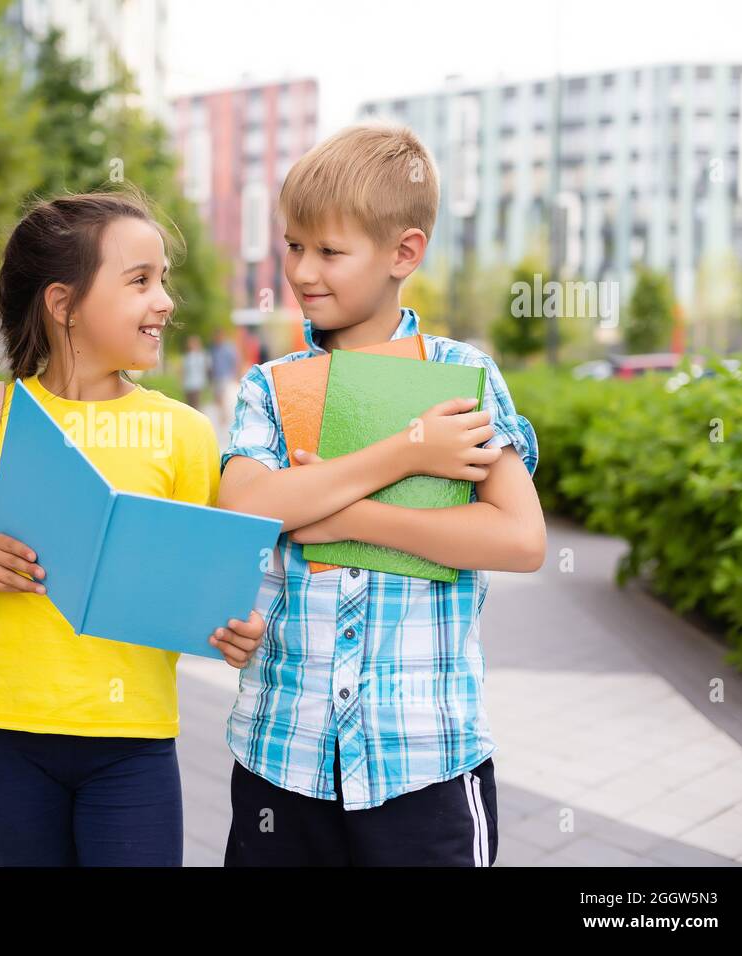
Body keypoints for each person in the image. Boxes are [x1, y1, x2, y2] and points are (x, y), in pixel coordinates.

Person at [217, 122, 546, 866]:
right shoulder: (270, 388)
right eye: (294, 245)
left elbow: (520, 540)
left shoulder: (462, 376)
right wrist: (409, 451)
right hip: (283, 755)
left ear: (404, 253)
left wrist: (342, 512)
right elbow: (245, 506)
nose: (303, 270)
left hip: (423, 759)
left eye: (330, 251)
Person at [0, 190, 266, 867]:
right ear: (63, 304)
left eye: (163, 279)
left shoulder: (186, 434)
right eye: (140, 281)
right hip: (7, 732)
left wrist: (234, 628)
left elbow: (210, 581)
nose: (164, 300)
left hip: (132, 741)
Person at [209, 327, 239, 426]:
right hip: (216, 376)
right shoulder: (213, 349)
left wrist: (235, 374)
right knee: (217, 398)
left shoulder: (228, 348)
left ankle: (224, 416)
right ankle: (222, 414)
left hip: (226, 376)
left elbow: (234, 361)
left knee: (223, 397)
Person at [180, 334, 209, 410]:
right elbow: (183, 370)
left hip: (198, 384)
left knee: (196, 405)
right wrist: (181, 381)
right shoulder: (187, 356)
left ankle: (198, 420)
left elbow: (206, 369)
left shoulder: (202, 356)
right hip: (188, 384)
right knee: (189, 405)